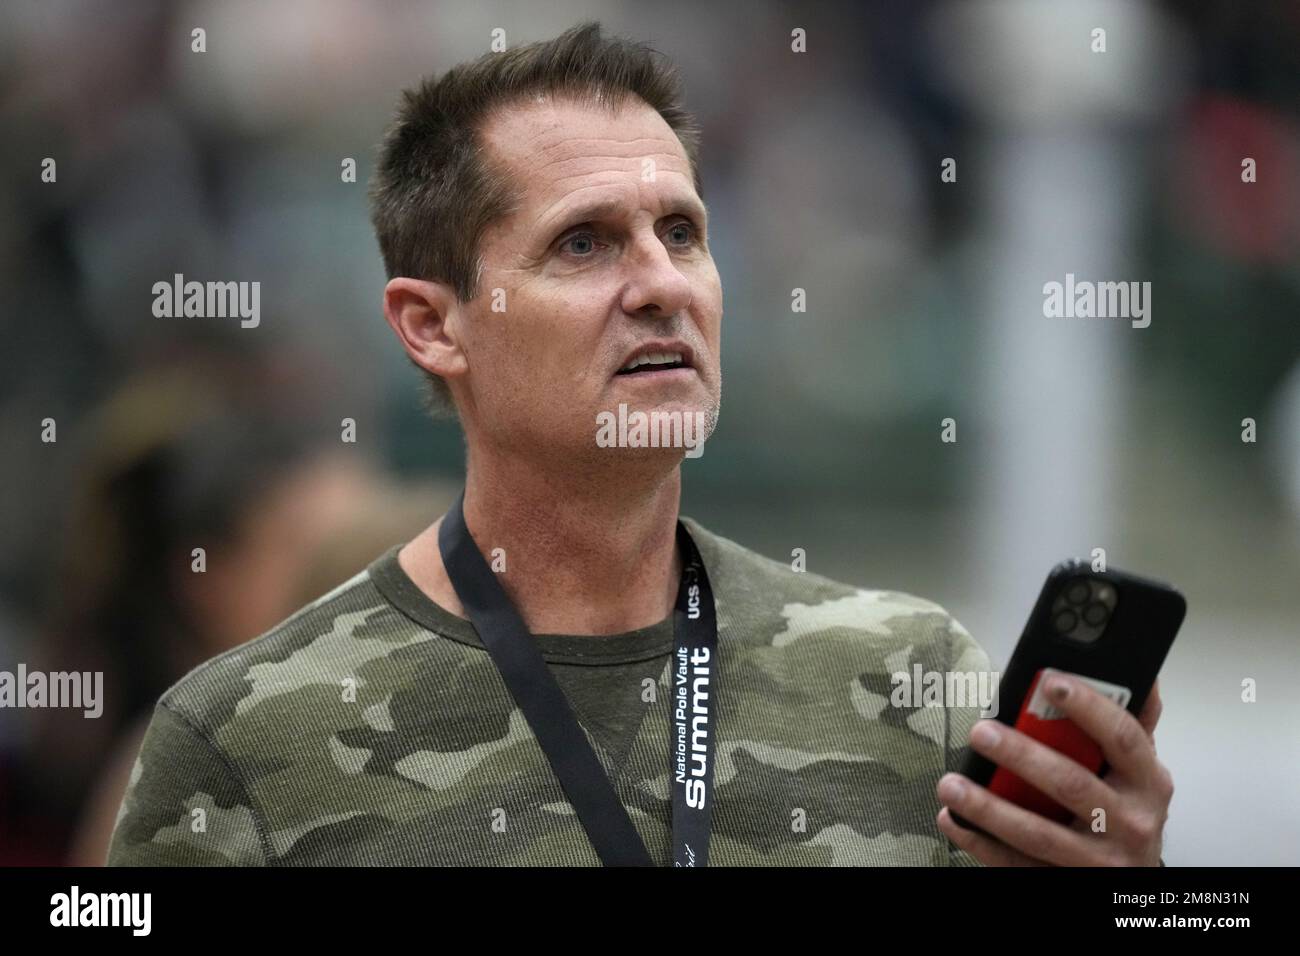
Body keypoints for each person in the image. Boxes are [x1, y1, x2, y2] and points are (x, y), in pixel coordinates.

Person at [107, 22, 1172, 867]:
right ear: (434, 326)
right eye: (584, 242)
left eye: (683, 232)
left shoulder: (911, 675)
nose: (661, 282)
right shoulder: (242, 737)